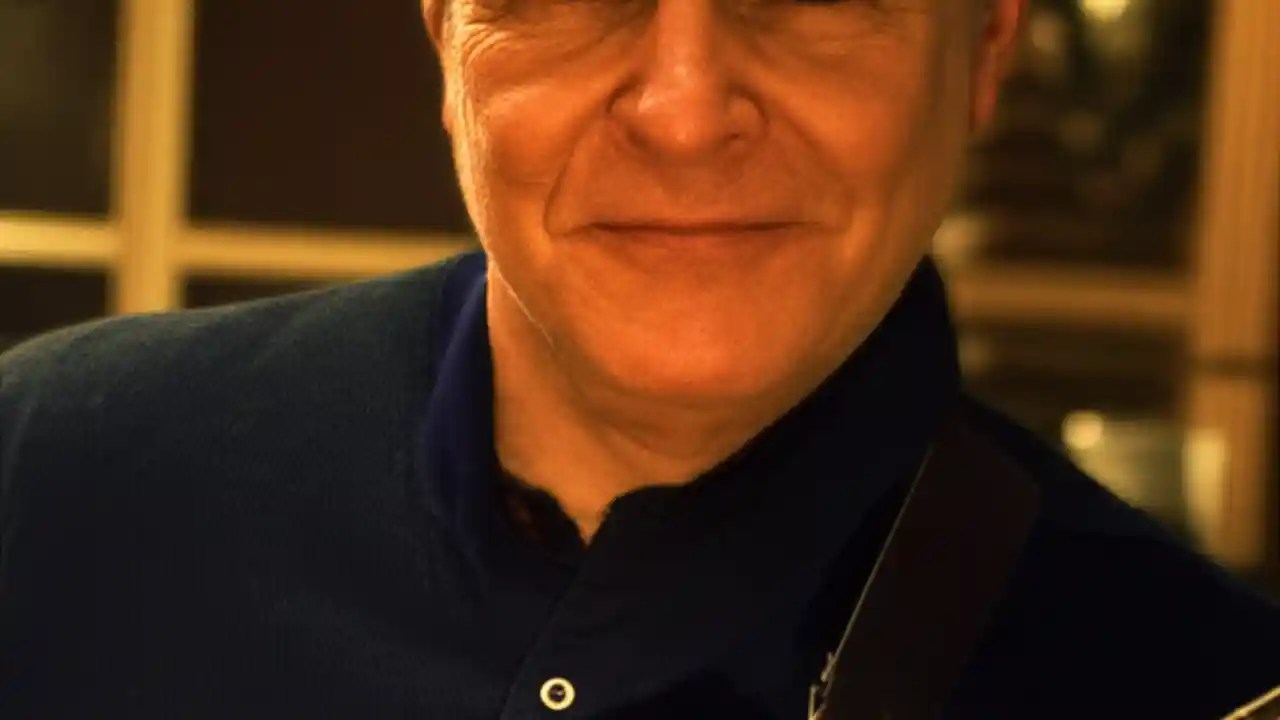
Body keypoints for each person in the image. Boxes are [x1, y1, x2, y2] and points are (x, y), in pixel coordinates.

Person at [1, 0, 1277, 717]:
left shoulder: (1197, 686)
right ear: (446, 36)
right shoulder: (47, 488)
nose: (681, 110)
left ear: (984, 46)